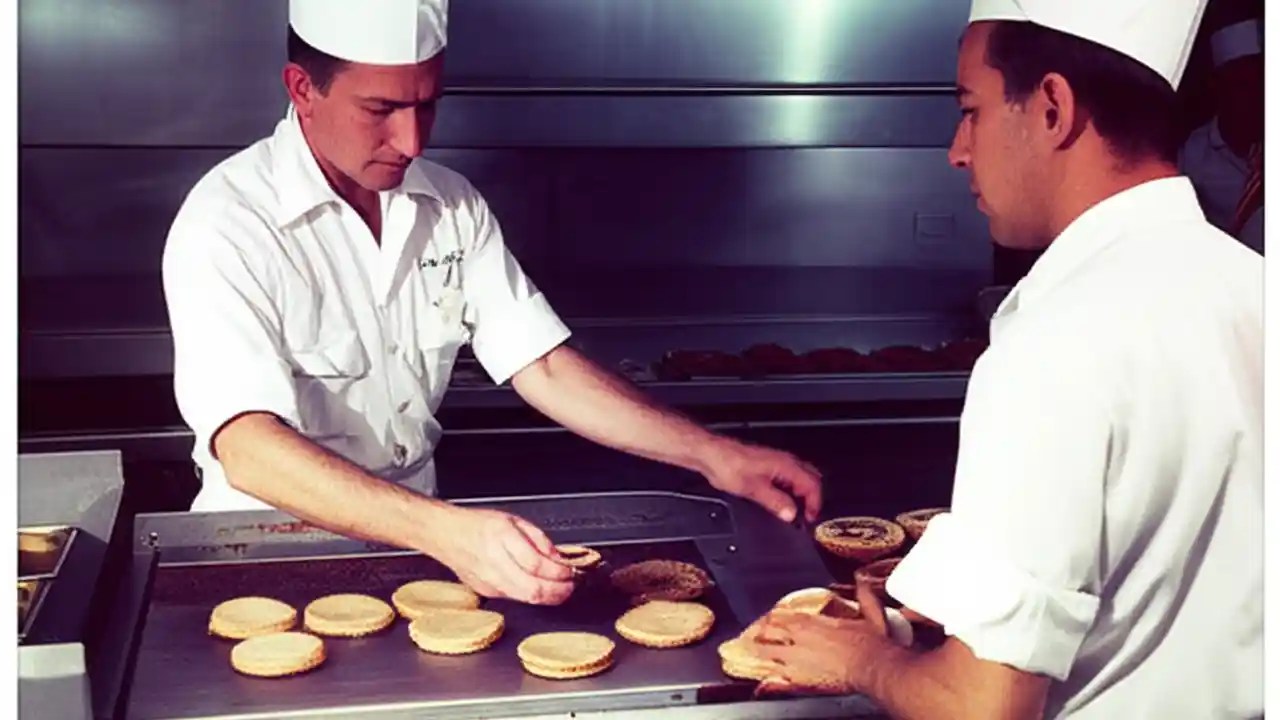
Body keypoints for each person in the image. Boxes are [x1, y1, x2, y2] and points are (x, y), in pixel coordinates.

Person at [162, 0, 822, 607]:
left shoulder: (450, 204)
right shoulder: (229, 222)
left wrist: (714, 455)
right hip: (265, 558)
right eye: (380, 109)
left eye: (427, 106)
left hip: (419, 555)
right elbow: (247, 445)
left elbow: (544, 365)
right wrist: (444, 530)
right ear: (303, 89)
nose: (413, 141)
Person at [750, 1, 1263, 718]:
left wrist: (863, 658)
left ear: (1052, 108)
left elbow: (983, 706)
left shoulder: (1053, 344)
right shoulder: (1254, 286)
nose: (958, 150)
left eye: (972, 111)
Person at [1179, 0, 1264, 254]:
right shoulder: (1191, 159)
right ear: (1218, 86)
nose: (1254, 94)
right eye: (1242, 84)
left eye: (1260, 82)